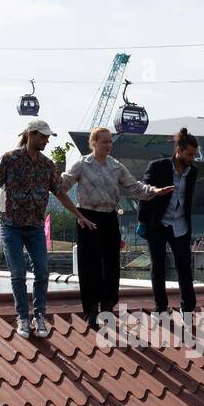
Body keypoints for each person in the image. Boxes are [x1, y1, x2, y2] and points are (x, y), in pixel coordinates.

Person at [0, 120, 86, 339]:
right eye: (44, 137)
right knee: (18, 273)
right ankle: (23, 316)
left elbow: (59, 193)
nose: (47, 140)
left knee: (42, 271)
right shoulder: (9, 159)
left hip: (36, 226)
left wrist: (78, 215)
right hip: (11, 226)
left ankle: (39, 316)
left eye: (48, 137)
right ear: (31, 135)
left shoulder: (48, 165)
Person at [60, 127, 171, 328]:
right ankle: (91, 310)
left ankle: (107, 308)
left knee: (111, 265)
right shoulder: (81, 164)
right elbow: (62, 186)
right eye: (104, 142)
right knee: (89, 265)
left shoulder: (116, 166)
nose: (109, 145)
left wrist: (155, 191)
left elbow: (136, 187)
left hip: (109, 216)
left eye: (110, 141)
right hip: (87, 217)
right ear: (93, 143)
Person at [137, 127, 201, 318]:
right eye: (189, 154)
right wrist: (142, 220)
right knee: (158, 266)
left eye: (194, 155)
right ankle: (160, 308)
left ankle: (188, 308)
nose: (192, 158)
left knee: (184, 268)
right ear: (179, 150)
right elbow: (145, 193)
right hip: (158, 224)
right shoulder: (157, 166)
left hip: (180, 225)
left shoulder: (193, 171)